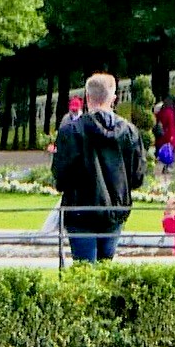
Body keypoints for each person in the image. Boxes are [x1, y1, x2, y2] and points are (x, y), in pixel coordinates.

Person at [52, 73, 151, 266]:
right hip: (114, 210)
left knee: (84, 271)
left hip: (81, 210)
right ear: (113, 98)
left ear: (87, 97)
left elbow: (61, 176)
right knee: (106, 270)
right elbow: (137, 177)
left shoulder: (71, 131)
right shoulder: (130, 132)